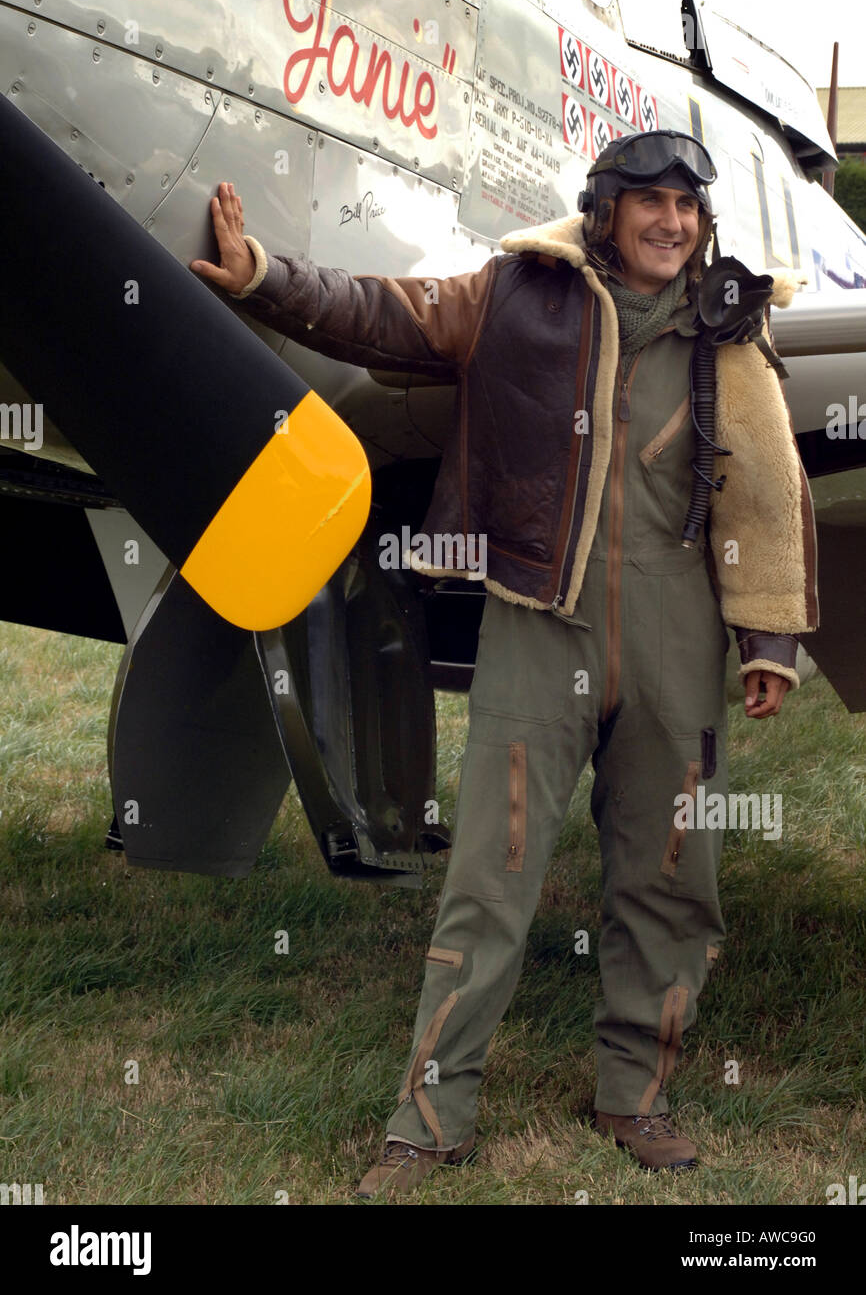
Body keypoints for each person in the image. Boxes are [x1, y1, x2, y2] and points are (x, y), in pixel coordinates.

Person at [191, 131, 818, 1196]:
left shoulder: (728, 321)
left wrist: (766, 638)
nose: (671, 222)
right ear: (607, 210)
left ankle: (635, 1095)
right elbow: (389, 314)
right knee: (487, 879)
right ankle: (430, 1116)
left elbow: (767, 482)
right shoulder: (520, 293)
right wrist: (264, 280)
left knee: (672, 881)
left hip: (677, 628)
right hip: (538, 620)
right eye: (651, 202)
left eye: (687, 205)